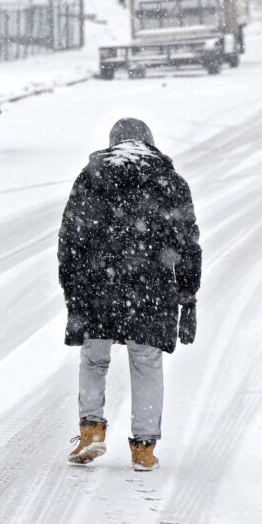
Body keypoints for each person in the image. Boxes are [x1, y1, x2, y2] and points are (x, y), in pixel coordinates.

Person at [58, 117, 202, 471]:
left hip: (97, 282)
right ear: (148, 143)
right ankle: (144, 447)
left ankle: (91, 430)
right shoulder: (169, 181)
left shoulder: (91, 176)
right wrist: (188, 295)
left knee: (94, 357)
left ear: (113, 144)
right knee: (146, 362)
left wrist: (72, 287)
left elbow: (70, 237)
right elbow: (186, 242)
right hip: (150, 286)